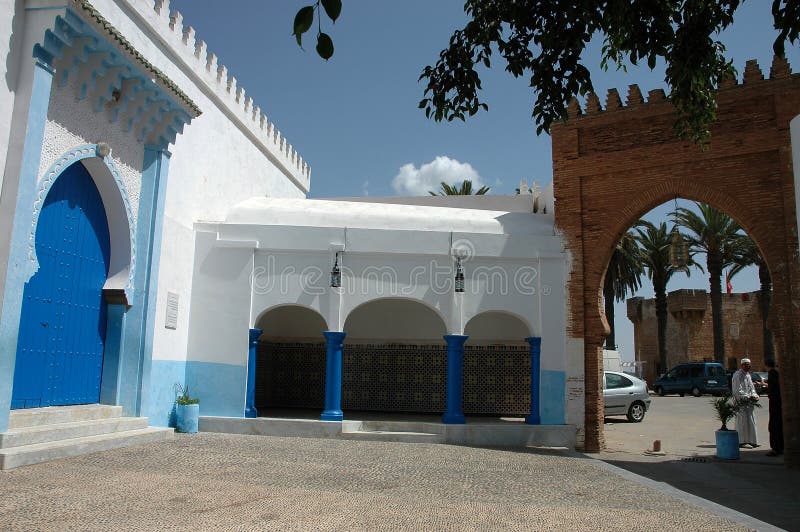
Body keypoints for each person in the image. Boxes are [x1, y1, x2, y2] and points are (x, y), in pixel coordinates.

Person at [731, 357, 759, 448]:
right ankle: (741, 441)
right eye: (746, 365)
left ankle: (752, 440)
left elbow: (752, 388)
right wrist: (748, 397)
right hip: (741, 403)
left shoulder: (748, 375)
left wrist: (754, 395)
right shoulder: (737, 375)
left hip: (749, 403)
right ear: (742, 365)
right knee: (742, 422)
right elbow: (737, 390)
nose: (748, 366)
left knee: (751, 421)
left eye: (749, 365)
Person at [766, 358, 783, 456]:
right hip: (778, 404)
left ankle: (776, 449)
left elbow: (773, 390)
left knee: (774, 426)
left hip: (775, 405)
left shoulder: (772, 374)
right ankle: (780, 447)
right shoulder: (777, 374)